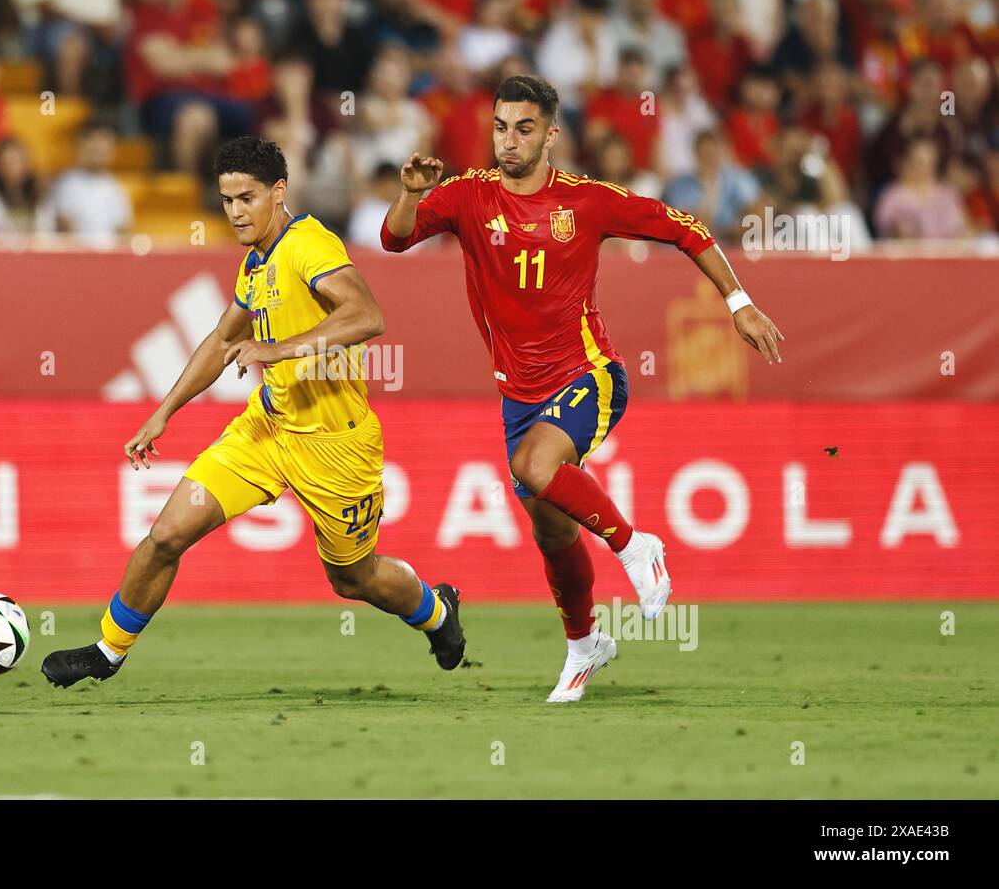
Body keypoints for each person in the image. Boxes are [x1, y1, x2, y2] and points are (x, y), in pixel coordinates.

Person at [381, 75, 784, 703]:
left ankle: (636, 545)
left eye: (523, 128)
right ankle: (584, 643)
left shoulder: (589, 201)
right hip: (518, 397)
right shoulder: (466, 196)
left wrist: (739, 302)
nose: (508, 141)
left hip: (589, 376)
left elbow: (687, 228)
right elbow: (395, 237)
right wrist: (410, 195)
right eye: (500, 127)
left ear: (551, 133)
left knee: (534, 465)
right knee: (553, 534)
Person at [41, 136, 466, 689]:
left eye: (246, 198)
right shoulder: (256, 262)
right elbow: (222, 340)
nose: (236, 211)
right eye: (226, 200)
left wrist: (281, 348)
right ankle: (108, 651)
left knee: (354, 579)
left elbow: (368, 315)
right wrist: (164, 411)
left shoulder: (309, 245)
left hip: (335, 445)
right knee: (167, 534)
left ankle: (437, 612)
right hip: (266, 429)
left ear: (279, 191)